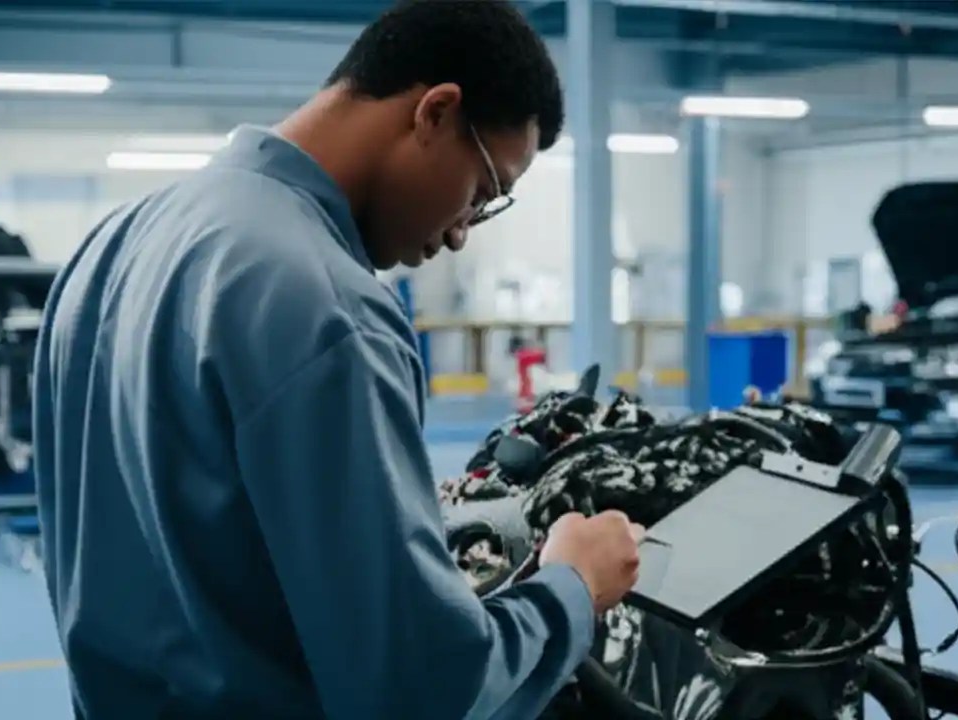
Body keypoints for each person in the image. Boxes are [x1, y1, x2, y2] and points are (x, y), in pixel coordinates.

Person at [32, 1, 643, 718]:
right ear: (435, 113)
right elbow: (418, 689)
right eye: (481, 195)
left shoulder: (113, 245)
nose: (460, 236)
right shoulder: (328, 303)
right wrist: (574, 584)